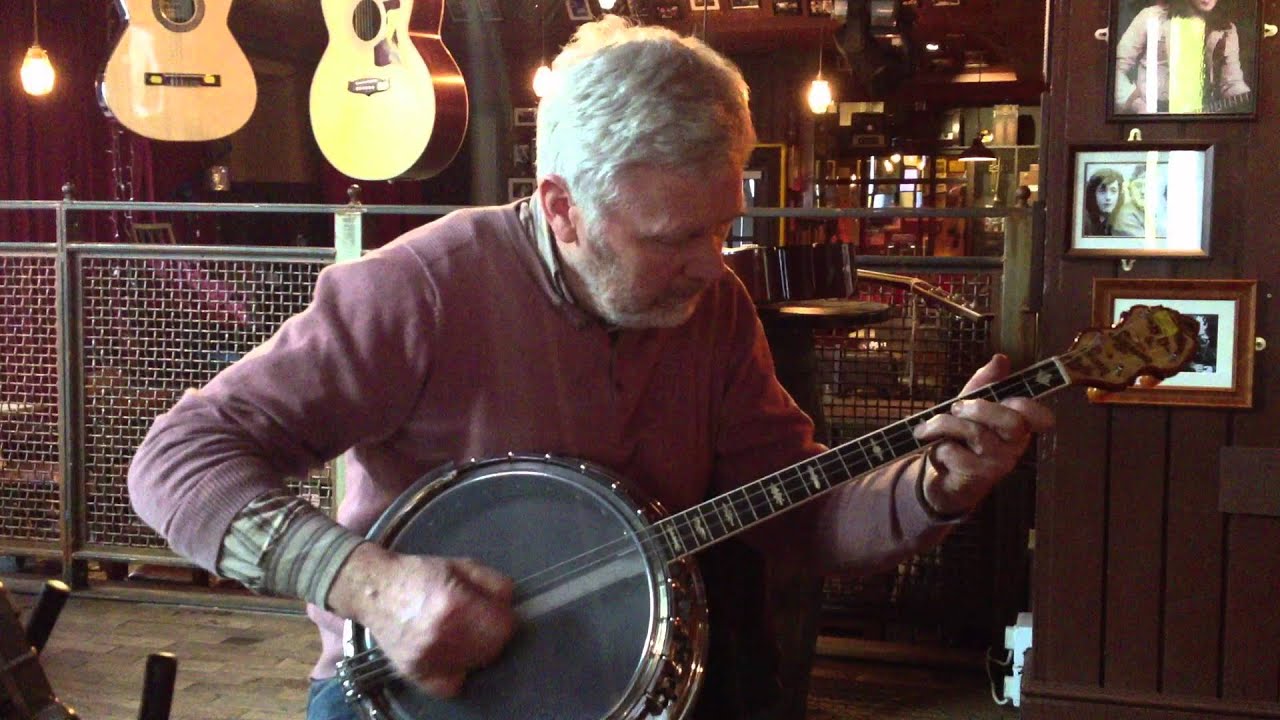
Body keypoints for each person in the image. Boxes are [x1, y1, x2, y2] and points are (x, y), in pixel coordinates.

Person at [127, 16, 1054, 720]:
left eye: (722, 226)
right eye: (673, 238)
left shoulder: (714, 305)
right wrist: (375, 584)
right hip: (418, 700)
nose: (709, 261)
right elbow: (174, 462)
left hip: (636, 689)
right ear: (562, 207)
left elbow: (799, 514)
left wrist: (936, 485)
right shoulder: (422, 289)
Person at [1114, 0, 1251, 115]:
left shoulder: (1226, 29)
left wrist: (1251, 100)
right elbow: (1115, 68)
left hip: (1201, 120)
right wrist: (1136, 104)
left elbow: (1231, 83)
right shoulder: (1150, 16)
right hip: (1154, 117)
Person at [1083, 168, 1125, 236]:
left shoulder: (1124, 222)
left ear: (1119, 194)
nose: (1108, 197)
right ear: (1093, 194)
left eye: (1113, 191)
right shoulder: (1084, 222)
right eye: (1102, 191)